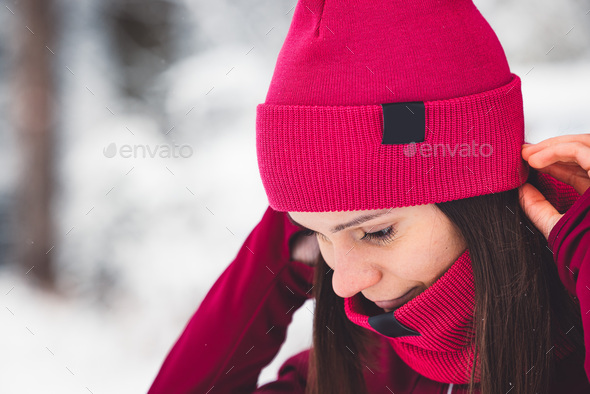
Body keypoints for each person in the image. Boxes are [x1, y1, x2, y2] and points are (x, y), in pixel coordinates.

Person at [148, 0, 590, 393]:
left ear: (485, 200)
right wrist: (284, 244)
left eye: (377, 231)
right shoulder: (353, 371)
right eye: (315, 235)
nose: (341, 282)